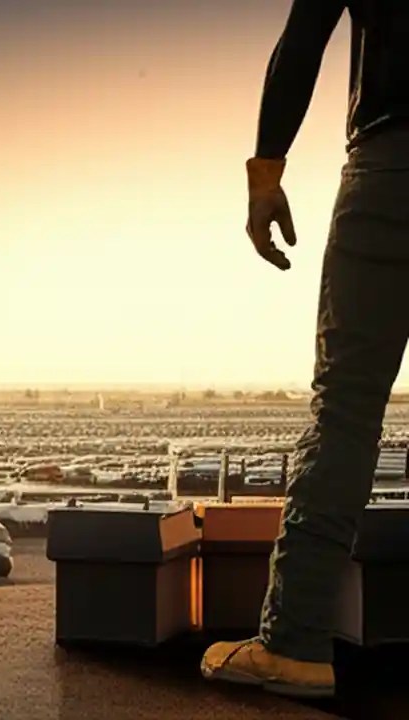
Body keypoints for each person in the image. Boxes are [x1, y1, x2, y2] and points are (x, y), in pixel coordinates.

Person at [200, 1, 409, 699]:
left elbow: (304, 38)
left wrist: (265, 175)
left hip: (393, 158)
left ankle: (294, 643)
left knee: (346, 410)